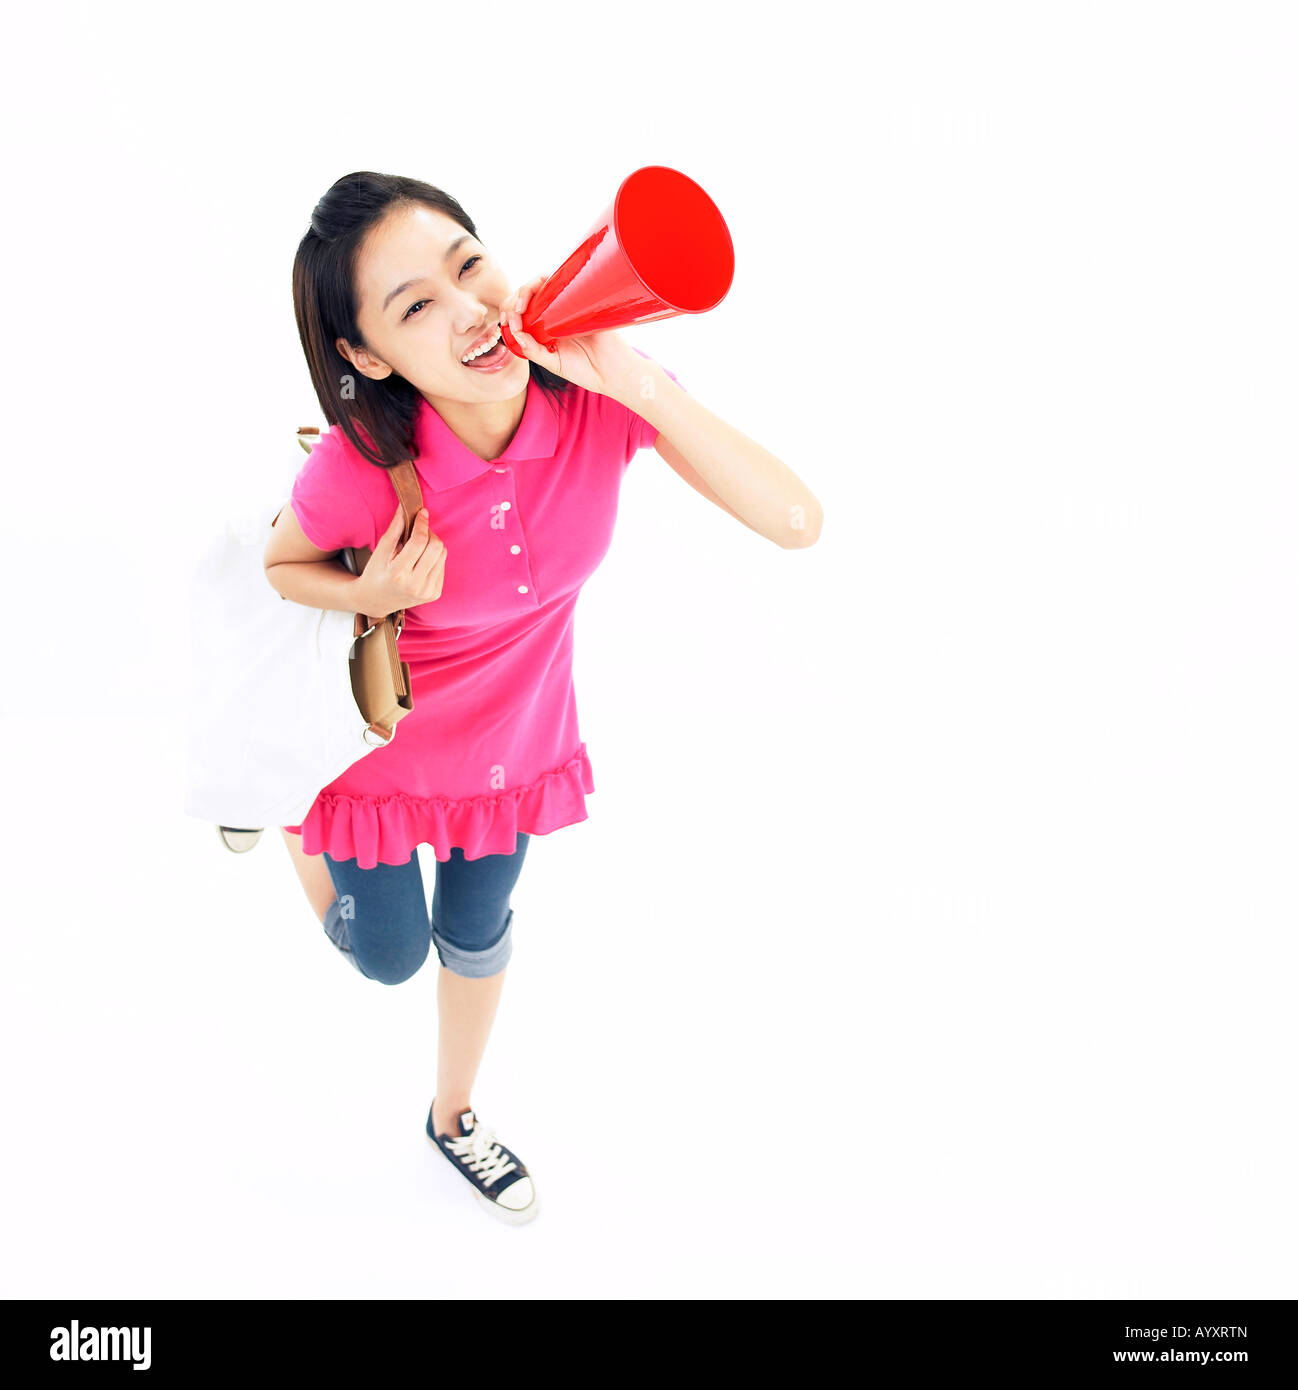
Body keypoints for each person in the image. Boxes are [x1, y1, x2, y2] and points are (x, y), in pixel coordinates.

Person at [264, 171, 823, 1224]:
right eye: (414, 305)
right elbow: (279, 567)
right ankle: (293, 817)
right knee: (384, 958)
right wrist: (371, 588)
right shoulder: (359, 466)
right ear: (368, 356)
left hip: (514, 752)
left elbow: (796, 521)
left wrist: (630, 378)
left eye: (468, 265)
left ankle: (454, 1114)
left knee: (479, 936)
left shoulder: (599, 401)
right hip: (378, 766)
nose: (467, 307)